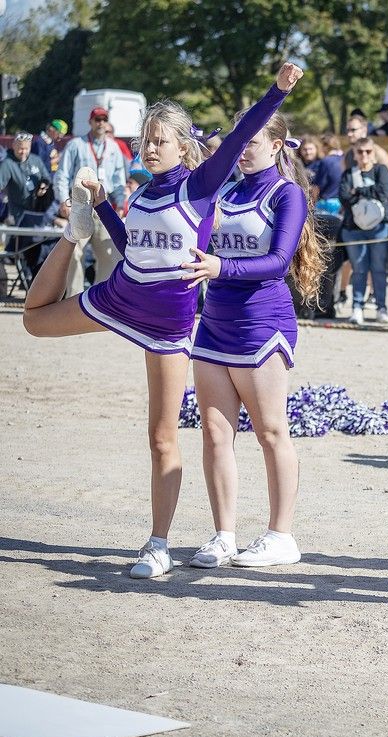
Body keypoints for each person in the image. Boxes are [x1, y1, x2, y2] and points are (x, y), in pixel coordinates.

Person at [22, 63, 302, 579]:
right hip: (122, 295)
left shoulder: (200, 185)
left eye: (159, 140)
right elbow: (136, 250)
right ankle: (71, 233)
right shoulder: (145, 193)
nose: (149, 148)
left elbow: (242, 132)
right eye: (145, 140)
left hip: (167, 323)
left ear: (182, 148)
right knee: (34, 321)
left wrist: (276, 92)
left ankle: (158, 545)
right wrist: (102, 210)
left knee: (162, 435)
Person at [181, 110, 326, 569]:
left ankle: (281, 535)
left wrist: (222, 267)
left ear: (278, 144)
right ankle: (223, 535)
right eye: (239, 140)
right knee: (215, 433)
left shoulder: (287, 195)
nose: (243, 148)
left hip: (262, 321)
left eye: (254, 140)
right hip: (214, 320)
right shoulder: (222, 191)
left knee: (269, 431)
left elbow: (279, 261)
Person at [53, 106, 128, 295]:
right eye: (97, 119)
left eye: (104, 119)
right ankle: (74, 299)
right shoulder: (76, 144)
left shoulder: (113, 148)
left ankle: (101, 301)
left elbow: (119, 180)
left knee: (110, 253)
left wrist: (120, 203)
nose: (101, 123)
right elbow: (62, 175)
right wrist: (63, 201)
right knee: (74, 254)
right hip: (81, 206)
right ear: (90, 122)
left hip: (105, 206)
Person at [339, 136, 388, 325]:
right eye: (360, 152)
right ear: (354, 154)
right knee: (359, 269)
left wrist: (359, 192)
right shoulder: (348, 174)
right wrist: (364, 193)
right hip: (354, 229)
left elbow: (384, 192)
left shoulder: (381, 170)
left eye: (368, 151)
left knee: (378, 268)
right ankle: (357, 307)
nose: (364, 155)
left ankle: (382, 308)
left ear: (374, 153)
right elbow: (344, 197)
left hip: (379, 228)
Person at [0, 133, 51, 225]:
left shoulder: (36, 160)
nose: (23, 152)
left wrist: (44, 185)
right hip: (18, 212)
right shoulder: (8, 163)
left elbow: (47, 178)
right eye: (20, 148)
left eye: (26, 149)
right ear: (14, 146)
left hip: (38, 210)